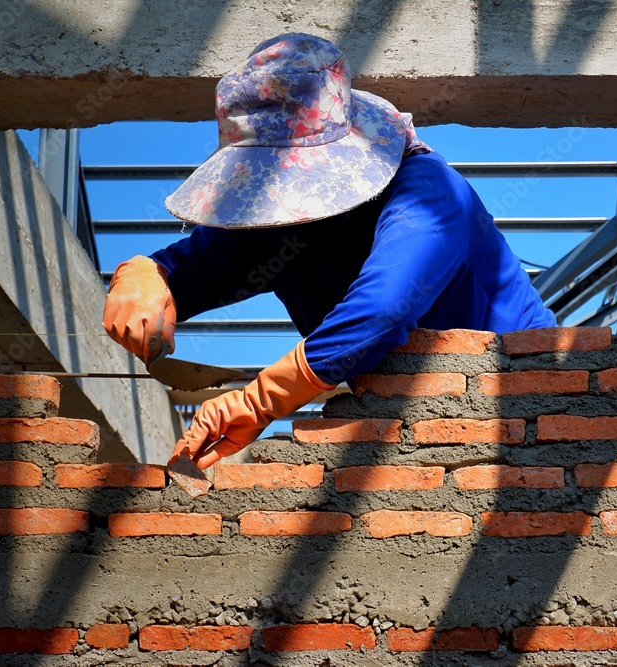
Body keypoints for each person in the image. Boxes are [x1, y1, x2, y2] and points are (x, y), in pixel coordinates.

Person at [102, 33, 556, 469]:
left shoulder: (427, 192)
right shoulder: (279, 224)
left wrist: (259, 401)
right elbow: (191, 268)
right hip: (411, 433)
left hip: (526, 414)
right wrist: (144, 274)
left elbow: (383, 309)